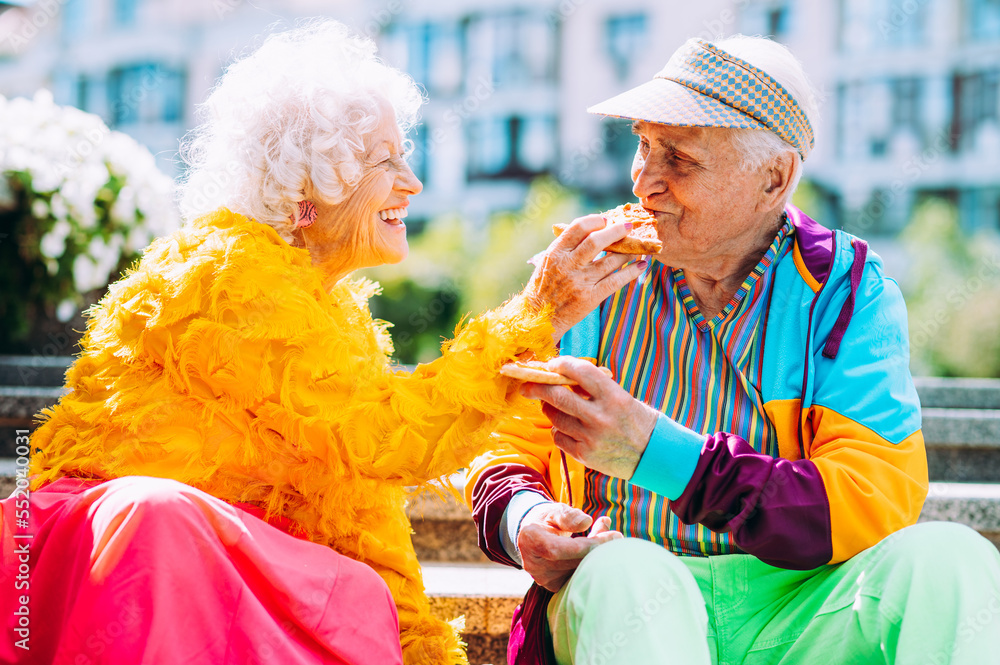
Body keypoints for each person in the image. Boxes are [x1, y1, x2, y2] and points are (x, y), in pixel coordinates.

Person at [0, 21, 646, 665]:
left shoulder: (336, 314)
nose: (412, 184)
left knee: (357, 593)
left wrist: (422, 648)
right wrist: (535, 311)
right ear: (307, 188)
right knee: (160, 516)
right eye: (386, 161)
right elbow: (385, 435)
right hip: (107, 562)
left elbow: (364, 522)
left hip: (209, 575)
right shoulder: (227, 272)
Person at [467, 35, 1000, 664]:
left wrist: (657, 454)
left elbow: (871, 496)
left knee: (953, 559)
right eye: (643, 144)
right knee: (625, 572)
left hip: (805, 606)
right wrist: (523, 520)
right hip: (633, 594)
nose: (644, 178)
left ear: (773, 179)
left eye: (680, 158)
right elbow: (498, 442)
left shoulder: (848, 287)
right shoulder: (585, 274)